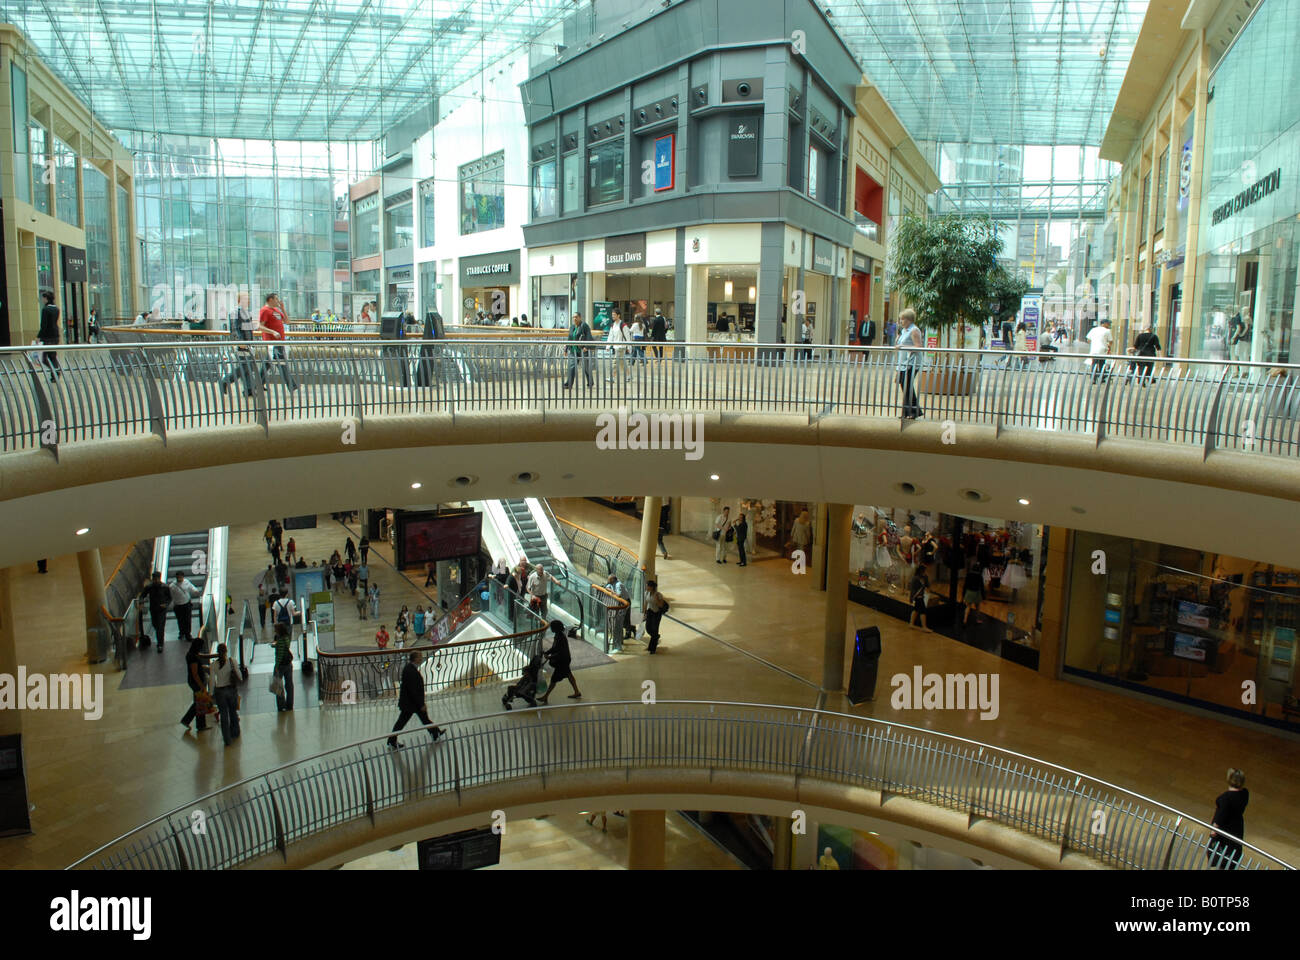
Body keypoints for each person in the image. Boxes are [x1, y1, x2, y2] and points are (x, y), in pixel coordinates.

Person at [387, 650, 445, 748]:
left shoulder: (409, 669)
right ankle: (391, 740)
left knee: (423, 719)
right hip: (411, 703)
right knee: (403, 722)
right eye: (419, 657)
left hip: (410, 703)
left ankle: (435, 733)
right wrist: (421, 704)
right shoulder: (410, 671)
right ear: (415, 658)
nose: (421, 658)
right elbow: (414, 690)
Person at [254, 292, 298, 391]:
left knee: (267, 363)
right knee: (281, 362)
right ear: (270, 300)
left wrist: (282, 308)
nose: (278, 301)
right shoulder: (264, 310)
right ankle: (292, 385)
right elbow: (260, 326)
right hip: (272, 342)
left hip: (279, 341)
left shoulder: (276, 310)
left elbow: (287, 322)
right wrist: (272, 332)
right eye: (276, 299)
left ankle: (257, 385)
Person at [1207, 768, 1249, 870]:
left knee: (1223, 859)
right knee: (1232, 858)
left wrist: (1213, 831)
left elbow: (1220, 817)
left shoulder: (1225, 798)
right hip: (1237, 829)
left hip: (1224, 833)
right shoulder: (1244, 793)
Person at [219, 295, 259, 397]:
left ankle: (249, 389)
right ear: (239, 301)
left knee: (248, 366)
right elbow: (234, 329)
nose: (248, 301)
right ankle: (225, 381)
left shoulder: (246, 313)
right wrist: (239, 342)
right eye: (245, 299)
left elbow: (248, 329)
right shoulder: (235, 313)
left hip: (248, 344)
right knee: (245, 367)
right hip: (241, 345)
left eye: (248, 299)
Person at [538, 620, 582, 703]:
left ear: (555, 628)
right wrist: (547, 653)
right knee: (569, 675)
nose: (550, 628)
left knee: (554, 679)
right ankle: (577, 691)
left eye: (552, 627)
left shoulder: (560, 637)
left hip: (562, 661)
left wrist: (550, 657)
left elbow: (560, 652)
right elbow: (555, 648)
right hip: (564, 660)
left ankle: (545, 696)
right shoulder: (558, 635)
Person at [895, 307, 923, 419]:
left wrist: (902, 346)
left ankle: (913, 411)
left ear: (909, 320)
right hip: (904, 363)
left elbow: (918, 346)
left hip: (912, 363)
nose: (901, 322)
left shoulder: (914, 330)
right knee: (904, 385)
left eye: (903, 319)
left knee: (907, 386)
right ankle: (908, 411)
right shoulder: (904, 331)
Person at [179, 635, 211, 732]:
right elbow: (195, 674)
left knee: (199, 702)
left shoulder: (191, 654)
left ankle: (196, 723)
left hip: (193, 682)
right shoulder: (193, 657)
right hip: (196, 683)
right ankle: (194, 723)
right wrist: (202, 686)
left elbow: (202, 658)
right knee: (199, 703)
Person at [212, 642, 241, 746]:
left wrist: (211, 694)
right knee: (233, 712)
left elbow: (212, 681)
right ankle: (235, 733)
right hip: (231, 690)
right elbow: (240, 676)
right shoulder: (232, 661)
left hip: (220, 691)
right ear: (226, 651)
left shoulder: (214, 664)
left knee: (224, 715)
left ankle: (227, 739)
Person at [139, 571, 171, 651]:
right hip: (153, 609)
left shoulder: (165, 587)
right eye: (154, 579)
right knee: (155, 625)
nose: (156, 580)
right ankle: (160, 638)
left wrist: (166, 604)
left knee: (160, 626)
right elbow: (142, 595)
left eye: (157, 579)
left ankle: (160, 644)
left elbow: (169, 598)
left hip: (162, 610)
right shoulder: (149, 587)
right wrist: (141, 602)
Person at [562, 312, 595, 389]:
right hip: (574, 350)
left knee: (586, 367)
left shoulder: (584, 326)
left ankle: (590, 382)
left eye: (576, 317)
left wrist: (586, 346)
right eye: (573, 317)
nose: (574, 319)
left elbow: (589, 336)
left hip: (583, 350)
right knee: (571, 367)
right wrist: (566, 349)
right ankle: (569, 384)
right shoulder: (572, 327)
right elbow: (569, 339)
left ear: (580, 317)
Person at [169, 572, 201, 642]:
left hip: (186, 604)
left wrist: (196, 591)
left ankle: (187, 634)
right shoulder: (172, 586)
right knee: (180, 620)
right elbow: (170, 595)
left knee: (187, 620)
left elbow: (191, 588)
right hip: (178, 605)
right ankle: (182, 632)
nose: (179, 578)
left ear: (183, 577)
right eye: (178, 577)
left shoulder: (186, 582)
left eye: (180, 577)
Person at [38, 291, 62, 382]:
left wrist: (39, 336)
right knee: (53, 356)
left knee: (44, 358)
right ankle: (55, 373)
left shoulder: (45, 309)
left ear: (46, 298)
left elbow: (44, 325)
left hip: (47, 336)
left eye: (43, 298)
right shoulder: (56, 309)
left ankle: (55, 372)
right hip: (55, 335)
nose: (42, 300)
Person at [272, 621, 294, 711]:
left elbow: (280, 655)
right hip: (288, 664)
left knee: (278, 685)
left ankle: (281, 705)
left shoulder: (280, 640)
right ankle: (290, 704)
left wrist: (276, 666)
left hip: (281, 666)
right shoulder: (286, 638)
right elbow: (284, 648)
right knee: (289, 685)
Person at [1086, 318, 1113, 384]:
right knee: (1102, 364)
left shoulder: (1093, 329)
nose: (1109, 324)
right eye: (1108, 323)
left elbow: (1088, 340)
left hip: (1094, 350)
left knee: (1094, 364)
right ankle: (1101, 379)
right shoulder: (1107, 331)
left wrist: (1095, 342)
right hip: (1102, 350)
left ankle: (1093, 379)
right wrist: (1108, 346)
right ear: (1103, 324)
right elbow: (1111, 341)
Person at [605, 309, 629, 382]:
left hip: (621, 347)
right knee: (622, 363)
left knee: (615, 362)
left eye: (614, 315)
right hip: (616, 347)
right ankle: (628, 375)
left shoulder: (623, 325)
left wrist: (629, 346)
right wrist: (608, 346)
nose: (613, 316)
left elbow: (627, 337)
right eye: (612, 315)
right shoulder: (613, 325)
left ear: (618, 315)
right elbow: (610, 336)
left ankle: (612, 377)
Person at [643, 588, 669, 655]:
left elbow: (660, 605)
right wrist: (644, 612)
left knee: (654, 629)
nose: (646, 587)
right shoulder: (646, 593)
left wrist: (656, 598)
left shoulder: (658, 595)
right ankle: (656, 637)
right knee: (648, 628)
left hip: (656, 613)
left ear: (651, 587)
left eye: (647, 586)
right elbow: (645, 603)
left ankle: (652, 648)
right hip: (650, 612)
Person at [909, 566, 933, 632]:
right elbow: (912, 589)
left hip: (921, 596)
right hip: (918, 597)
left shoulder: (924, 577)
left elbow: (928, 586)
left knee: (916, 610)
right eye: (924, 571)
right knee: (923, 611)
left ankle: (911, 623)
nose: (926, 572)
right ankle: (924, 626)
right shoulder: (915, 578)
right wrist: (911, 598)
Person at [962, 563, 984, 627]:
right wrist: (983, 596)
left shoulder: (968, 575)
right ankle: (977, 619)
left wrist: (963, 594)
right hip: (976, 593)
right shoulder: (980, 576)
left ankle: (965, 620)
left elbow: (965, 585)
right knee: (977, 607)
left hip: (969, 592)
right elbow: (981, 587)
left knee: (968, 607)